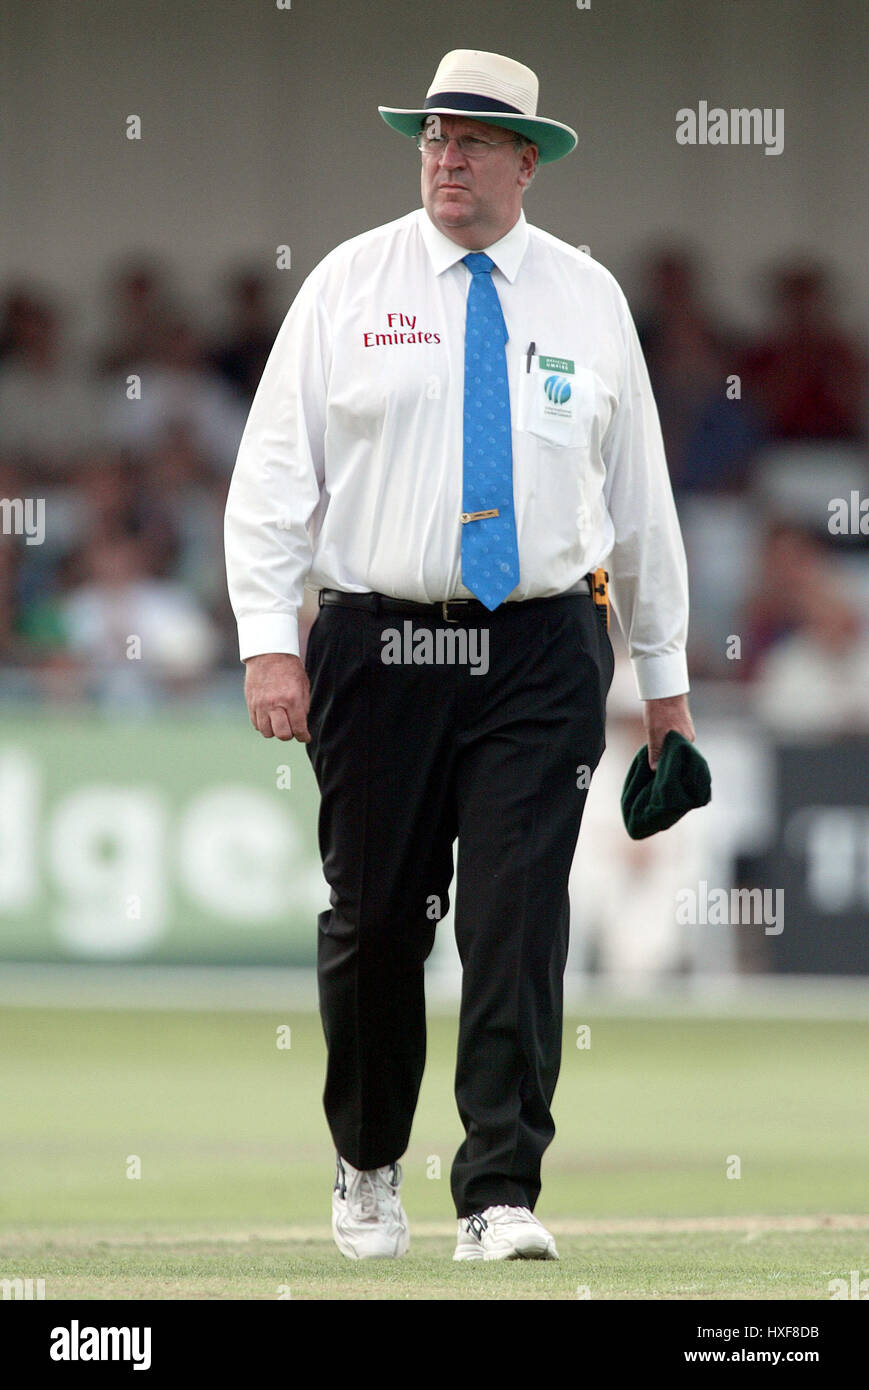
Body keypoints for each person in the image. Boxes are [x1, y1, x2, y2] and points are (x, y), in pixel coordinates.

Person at [224, 50, 694, 1263]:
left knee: (516, 911)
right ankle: (369, 1159)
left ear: (525, 161)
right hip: (378, 637)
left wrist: (667, 685)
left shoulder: (587, 298)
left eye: (475, 139)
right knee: (376, 917)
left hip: (543, 640)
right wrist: (271, 645)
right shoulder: (345, 283)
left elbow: (638, 503)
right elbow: (273, 483)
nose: (446, 155)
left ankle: (495, 1190)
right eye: (433, 135)